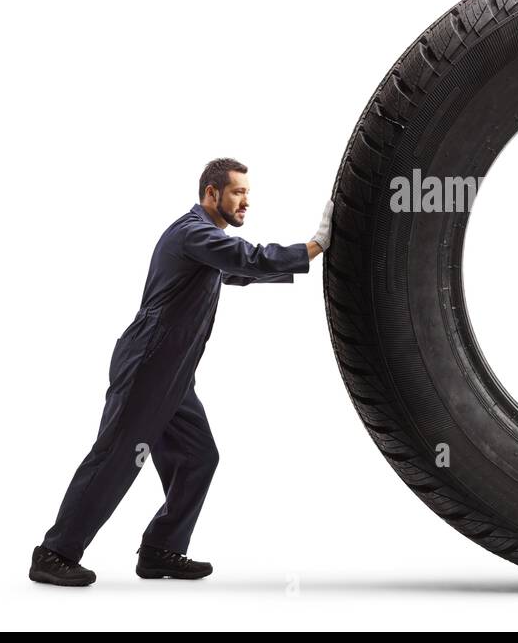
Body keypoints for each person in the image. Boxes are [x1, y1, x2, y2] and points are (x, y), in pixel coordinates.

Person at [29, 157, 333, 586]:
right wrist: (313, 247)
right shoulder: (193, 233)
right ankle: (54, 553)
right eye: (237, 192)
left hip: (173, 374)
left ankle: (161, 550)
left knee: (197, 456)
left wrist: (302, 262)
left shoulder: (205, 242)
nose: (246, 201)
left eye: (247, 193)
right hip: (148, 365)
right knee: (117, 457)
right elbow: (246, 258)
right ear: (211, 194)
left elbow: (236, 271)